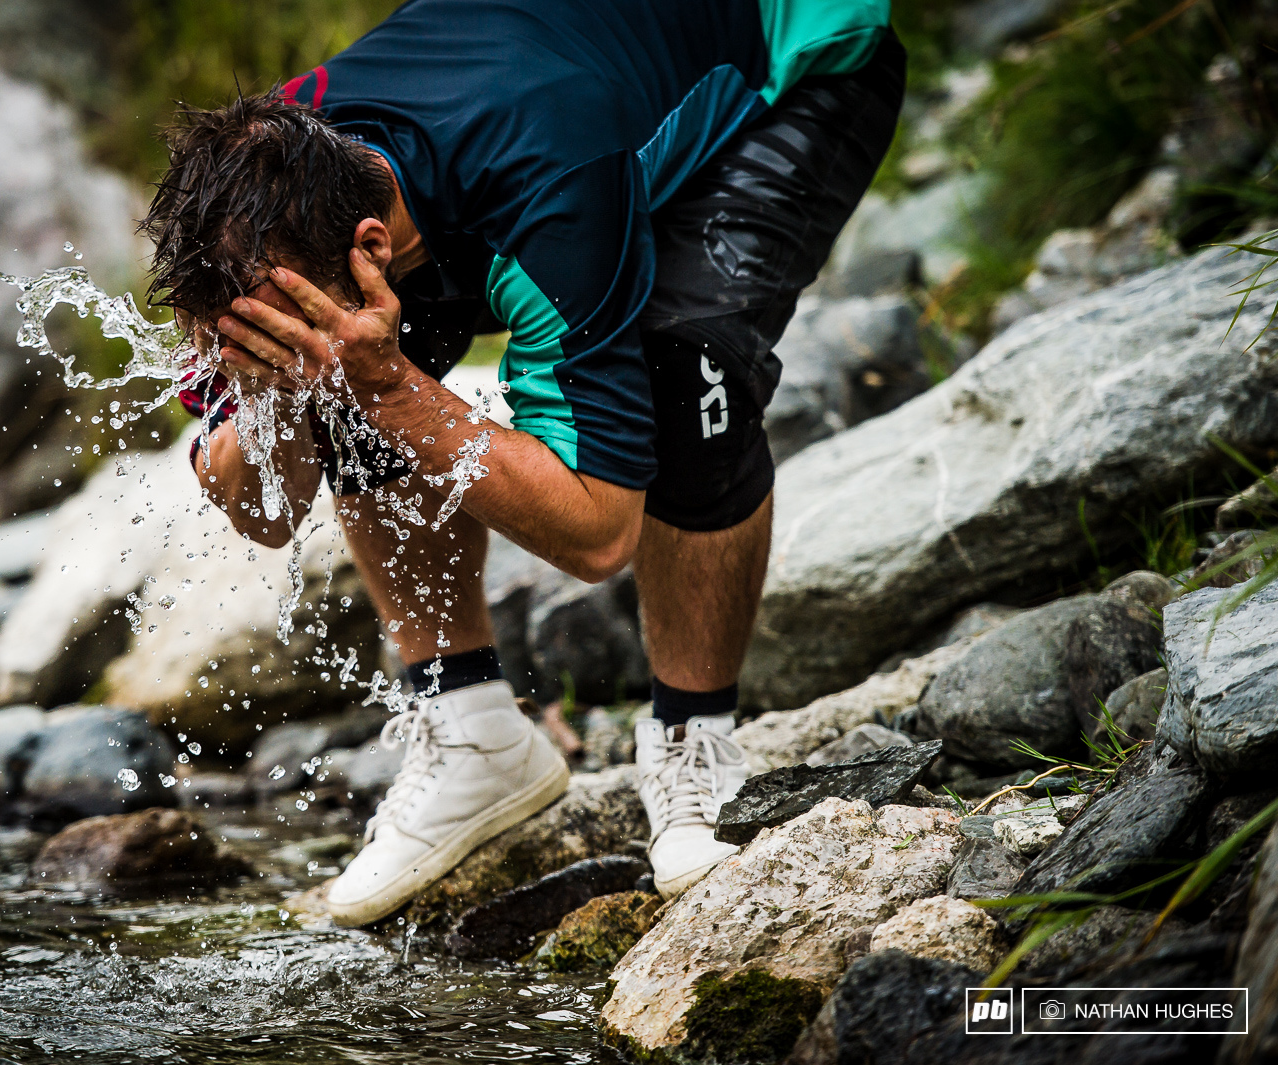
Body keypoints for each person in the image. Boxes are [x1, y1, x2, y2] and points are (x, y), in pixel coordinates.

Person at [141, 0, 905, 927]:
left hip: (795, 62)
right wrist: (275, 388)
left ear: (374, 244)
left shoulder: (549, 176)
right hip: (565, 78)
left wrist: (387, 388)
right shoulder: (263, 196)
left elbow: (600, 532)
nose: (245, 343)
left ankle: (693, 748)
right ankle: (472, 732)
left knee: (687, 365)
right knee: (343, 367)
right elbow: (263, 509)